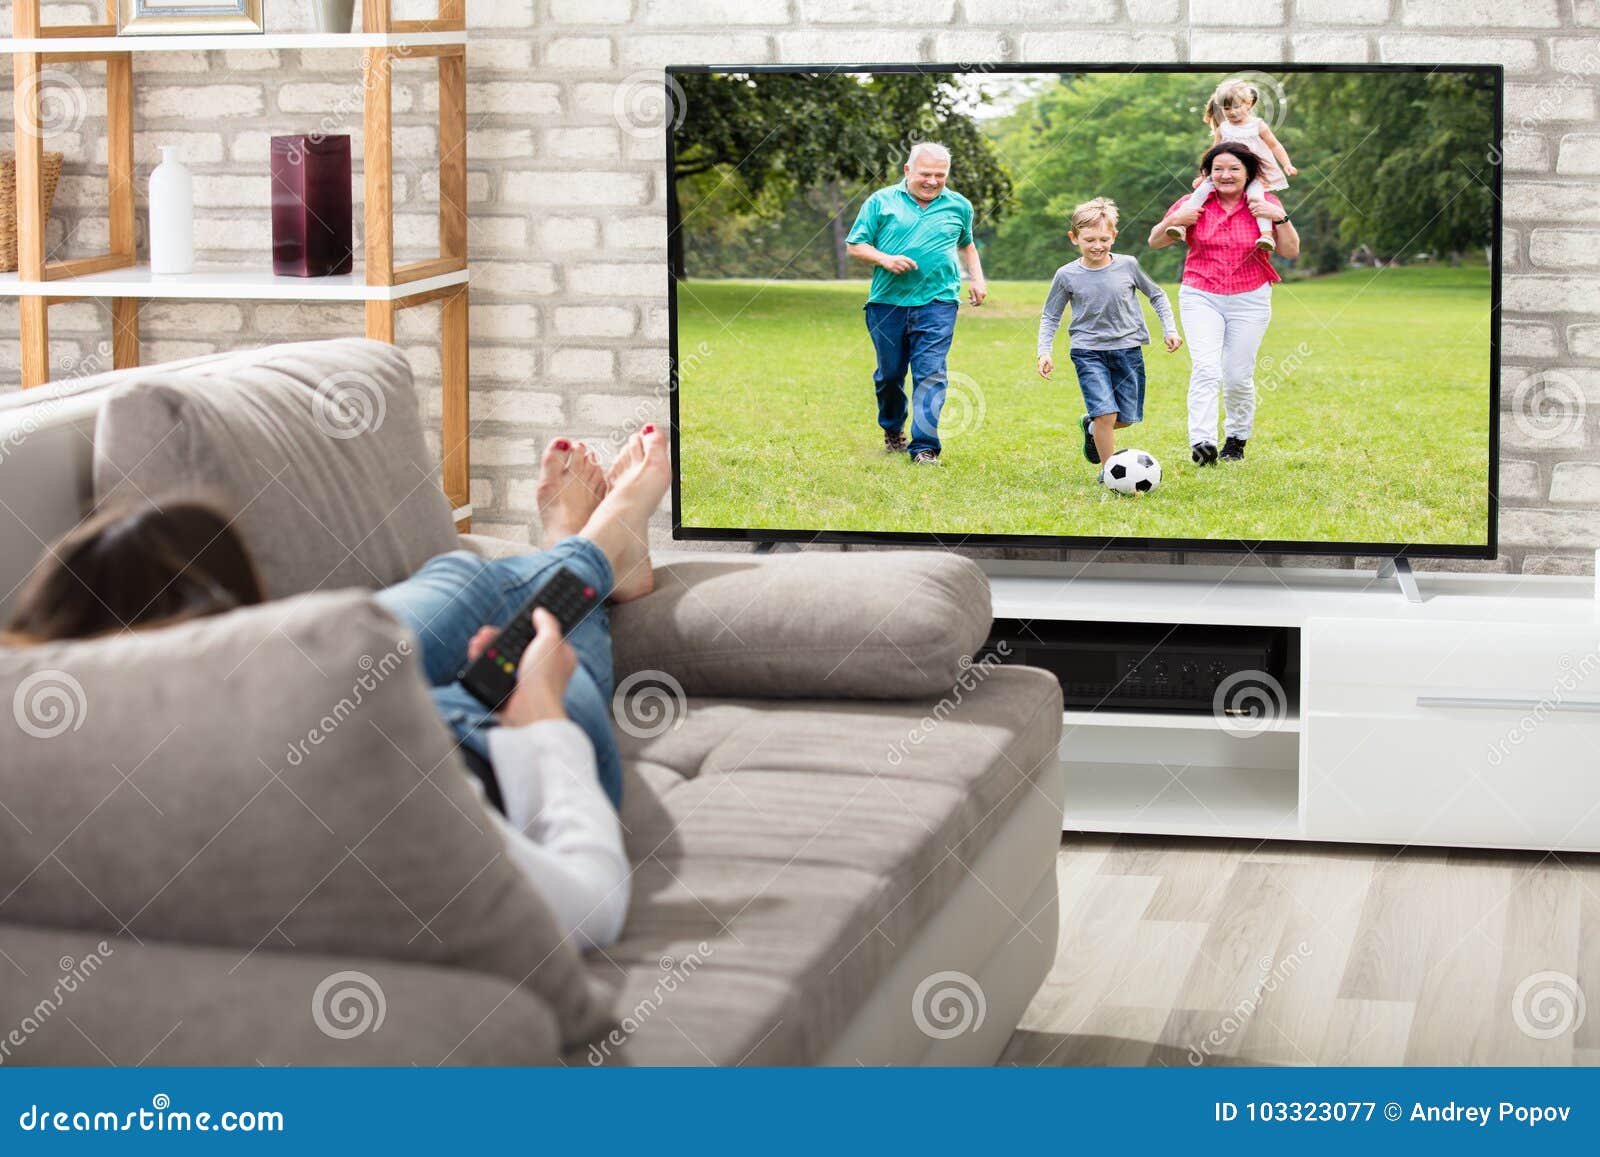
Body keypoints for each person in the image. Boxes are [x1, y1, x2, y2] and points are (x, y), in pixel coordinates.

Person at [3, 427, 675, 951]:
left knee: (463, 581)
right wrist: (544, 716)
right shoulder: (363, 801)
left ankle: (591, 545)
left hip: (318, 690)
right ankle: (596, 539)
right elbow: (589, 903)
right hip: (474, 742)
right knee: (535, 639)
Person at [1150, 142, 1300, 466]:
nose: (1225, 175)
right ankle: (1202, 442)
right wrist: (1175, 219)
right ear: (1208, 173)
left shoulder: (1265, 203)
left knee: (1237, 376)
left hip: (1250, 298)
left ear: (1248, 173)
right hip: (1200, 293)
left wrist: (1282, 218)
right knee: (1206, 368)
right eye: (1218, 169)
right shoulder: (1193, 203)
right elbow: (1155, 240)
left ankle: (1236, 438)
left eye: (1233, 168)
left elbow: (1290, 251)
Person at [845, 140, 988, 465]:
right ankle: (893, 427)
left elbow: (967, 244)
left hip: (939, 302)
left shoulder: (959, 205)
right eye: (926, 174)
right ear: (908, 170)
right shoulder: (881, 201)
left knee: (931, 374)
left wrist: (977, 278)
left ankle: (924, 447)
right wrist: (884, 259)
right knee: (890, 375)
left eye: (940, 175)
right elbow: (855, 245)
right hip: (888, 303)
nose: (933, 181)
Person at [1036, 197, 1182, 483]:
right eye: (1089, 239)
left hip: (1128, 350)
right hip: (1087, 352)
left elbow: (1157, 295)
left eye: (1104, 238)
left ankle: (1090, 428)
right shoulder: (1066, 275)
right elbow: (1050, 316)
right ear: (1074, 238)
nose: (1097, 245)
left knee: (1125, 418)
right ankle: (1108, 472)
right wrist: (1044, 351)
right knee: (1106, 414)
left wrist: (1170, 329)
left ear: (1114, 236)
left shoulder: (1128, 266)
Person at [1166, 79, 1298, 252]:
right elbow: (1213, 155)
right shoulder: (1224, 128)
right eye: (1227, 108)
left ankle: (1266, 235)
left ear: (1248, 104)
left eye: (1236, 107)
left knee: (1257, 199)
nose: (1232, 112)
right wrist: (1205, 175)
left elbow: (1275, 145)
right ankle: (1182, 225)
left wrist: (1287, 164)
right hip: (1224, 173)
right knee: (1200, 192)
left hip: (1253, 174)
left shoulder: (1257, 125)